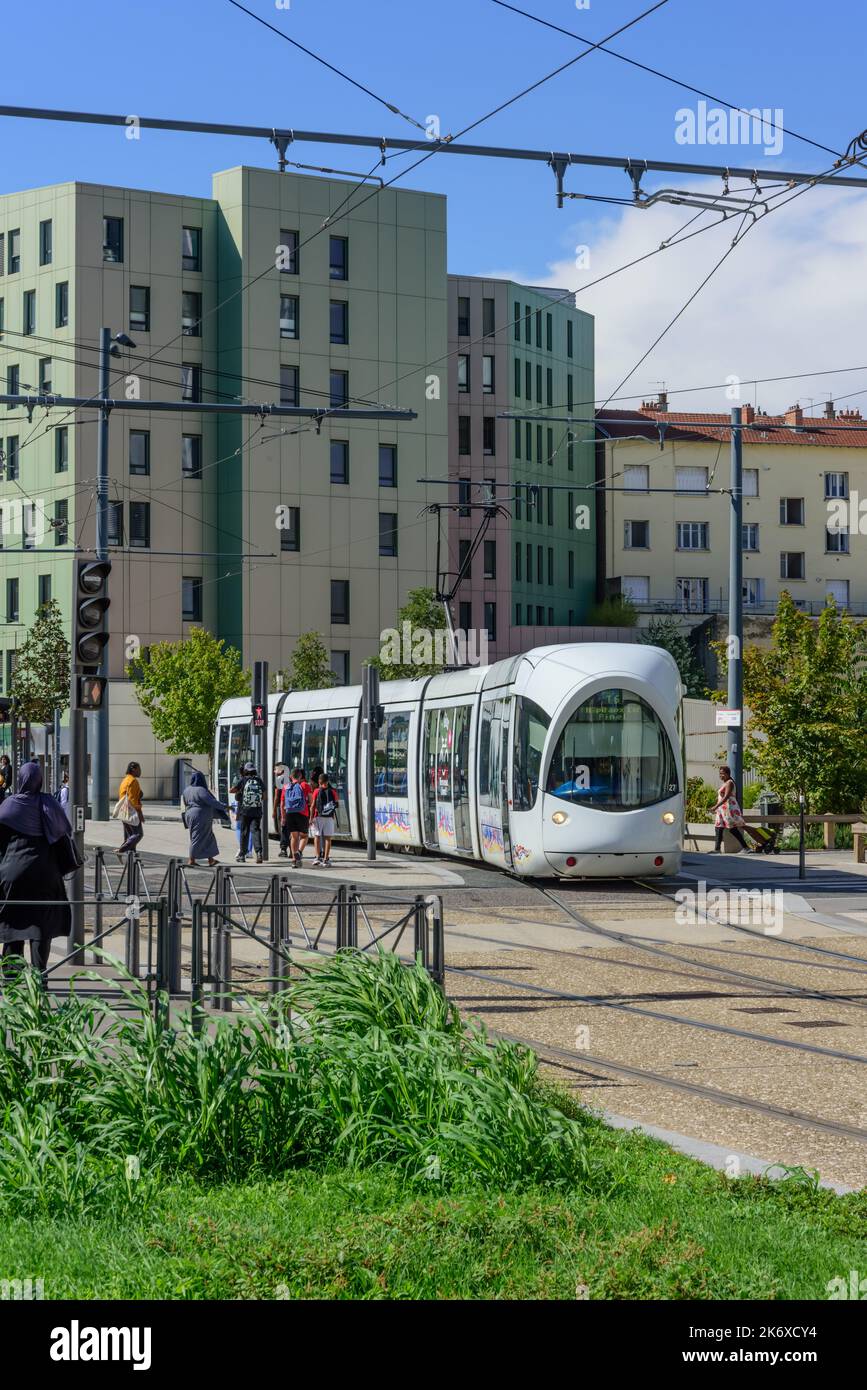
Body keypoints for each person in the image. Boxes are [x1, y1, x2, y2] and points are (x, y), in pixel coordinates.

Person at [0, 761, 72, 978]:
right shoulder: (48, 803)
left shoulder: (9, 805)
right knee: (41, 928)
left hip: (13, 875)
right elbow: (63, 833)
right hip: (45, 875)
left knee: (13, 924)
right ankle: (41, 978)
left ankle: (12, 979)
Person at [181, 771, 229, 867]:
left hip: (189, 814)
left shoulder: (187, 790)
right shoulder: (201, 790)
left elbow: (185, 802)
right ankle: (191, 859)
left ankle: (210, 859)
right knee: (197, 838)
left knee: (208, 836)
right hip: (200, 816)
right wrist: (225, 806)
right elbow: (212, 802)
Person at [712, 765, 750, 853]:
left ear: (728, 774)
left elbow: (726, 797)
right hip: (722, 809)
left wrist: (715, 806)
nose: (721, 775)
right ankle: (717, 849)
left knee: (732, 828)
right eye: (720, 774)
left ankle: (746, 847)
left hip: (729, 808)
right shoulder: (724, 783)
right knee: (718, 827)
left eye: (723, 773)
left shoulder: (730, 782)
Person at [234, 761, 265, 864]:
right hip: (257, 810)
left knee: (244, 832)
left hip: (245, 810)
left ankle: (242, 855)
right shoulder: (259, 780)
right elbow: (264, 796)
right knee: (256, 830)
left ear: (246, 770)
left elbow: (231, 790)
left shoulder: (243, 780)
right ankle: (259, 853)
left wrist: (239, 791)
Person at [282, 768, 310, 867]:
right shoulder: (305, 785)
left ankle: (294, 860)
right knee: (304, 836)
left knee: (294, 836)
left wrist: (283, 817)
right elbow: (310, 801)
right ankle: (299, 852)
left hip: (289, 813)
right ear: (300, 776)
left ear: (290, 777)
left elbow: (282, 803)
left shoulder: (286, 787)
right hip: (302, 813)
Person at [310, 772, 339, 868]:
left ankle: (317, 858)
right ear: (327, 781)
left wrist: (311, 818)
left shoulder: (316, 791)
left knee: (317, 837)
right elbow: (335, 805)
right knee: (328, 838)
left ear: (319, 781)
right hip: (329, 818)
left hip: (318, 817)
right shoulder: (333, 792)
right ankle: (326, 859)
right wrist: (332, 818)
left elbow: (313, 805)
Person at [117, 761, 144, 856]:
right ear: (133, 769)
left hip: (124, 812)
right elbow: (132, 800)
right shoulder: (133, 781)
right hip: (131, 812)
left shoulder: (125, 780)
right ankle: (121, 849)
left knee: (130, 838)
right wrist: (139, 813)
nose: (140, 771)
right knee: (138, 834)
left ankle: (132, 862)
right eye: (139, 769)